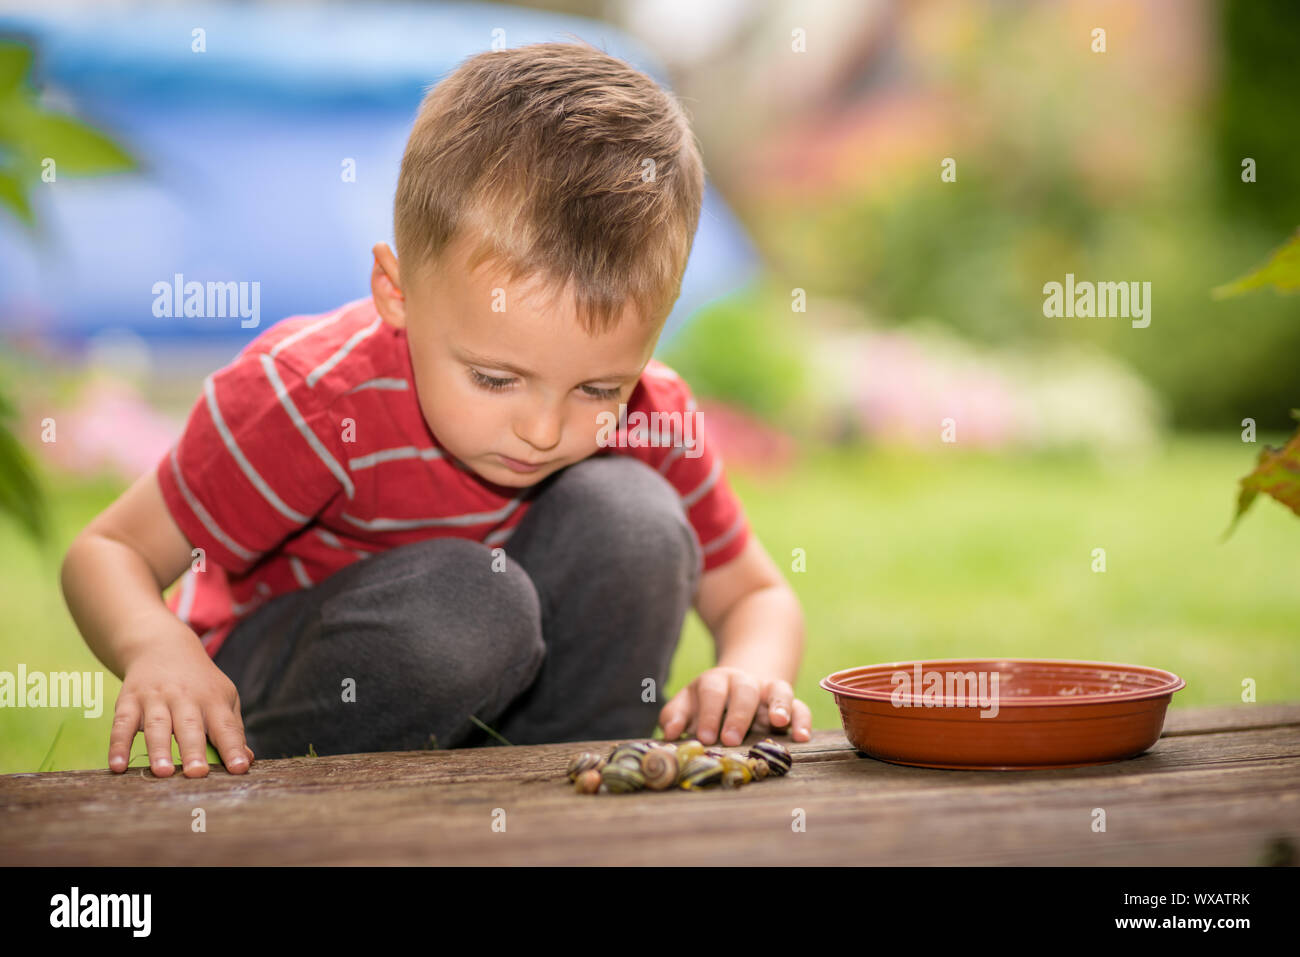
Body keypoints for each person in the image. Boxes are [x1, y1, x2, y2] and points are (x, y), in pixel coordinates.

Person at [60, 40, 810, 777]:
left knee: (634, 519)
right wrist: (157, 647)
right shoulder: (311, 398)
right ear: (397, 293)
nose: (544, 431)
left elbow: (756, 594)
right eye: (494, 378)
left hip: (509, 703)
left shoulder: (651, 412)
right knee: (471, 608)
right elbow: (108, 552)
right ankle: (294, 797)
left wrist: (748, 671)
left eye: (597, 389)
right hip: (300, 689)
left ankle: (564, 790)